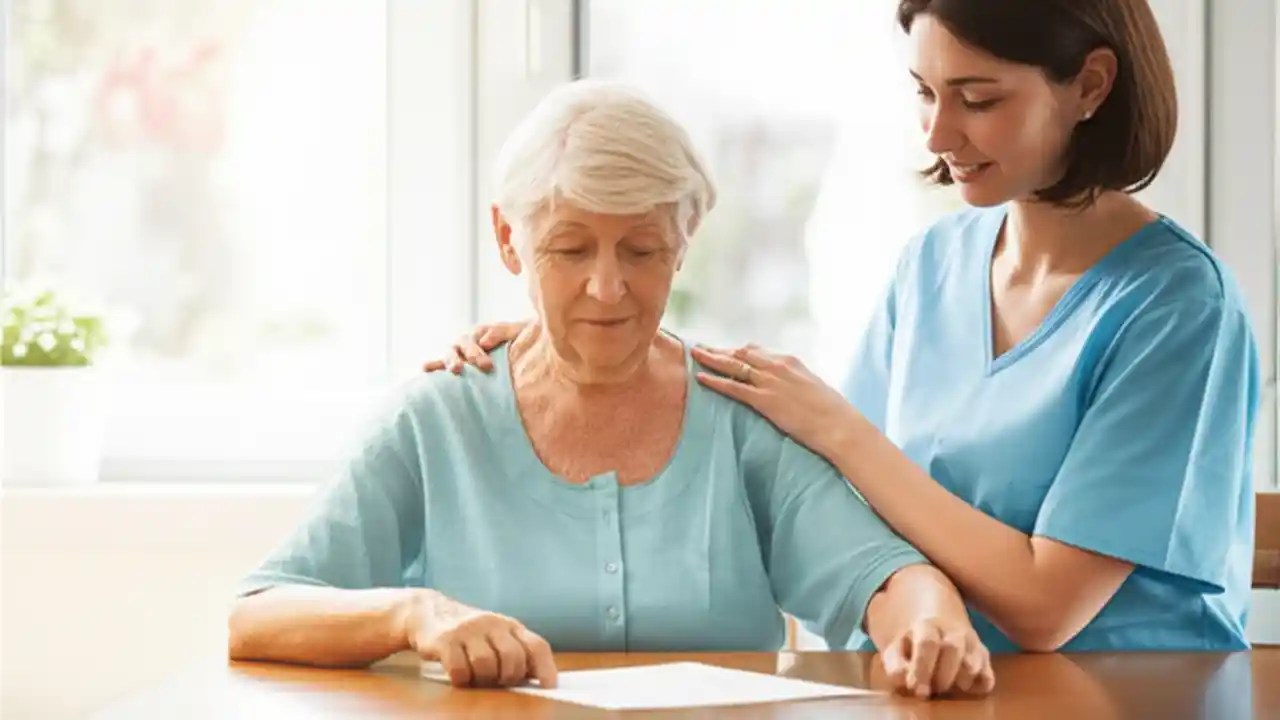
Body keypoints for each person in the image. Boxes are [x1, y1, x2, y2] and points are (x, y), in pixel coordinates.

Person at [429, 0, 1261, 653]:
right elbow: (835, 499)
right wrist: (558, 340)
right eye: (926, 93)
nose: (937, 133)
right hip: (924, 685)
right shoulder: (934, 264)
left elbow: (1047, 608)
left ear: (1090, 86)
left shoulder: (1177, 309)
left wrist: (842, 429)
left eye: (978, 99)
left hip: (1112, 696)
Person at [229, 80, 996, 698]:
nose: (607, 287)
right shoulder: (435, 417)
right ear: (508, 240)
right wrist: (414, 615)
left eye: (641, 249)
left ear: (682, 247)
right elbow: (257, 615)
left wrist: (931, 624)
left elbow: (884, 576)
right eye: (568, 249)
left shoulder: (739, 415)